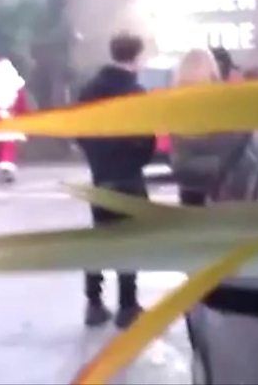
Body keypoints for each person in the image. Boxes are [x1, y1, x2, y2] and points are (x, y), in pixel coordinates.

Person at [76, 32, 156, 329]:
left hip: (101, 176)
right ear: (136, 57)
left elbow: (79, 131)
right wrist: (136, 159)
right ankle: (127, 306)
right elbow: (146, 139)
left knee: (100, 238)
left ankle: (94, 303)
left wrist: (96, 157)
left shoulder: (89, 90)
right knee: (129, 241)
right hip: (128, 177)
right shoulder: (135, 93)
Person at [169, 49, 251, 207]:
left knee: (191, 213)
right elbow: (230, 140)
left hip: (187, 174)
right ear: (211, 68)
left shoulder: (175, 100)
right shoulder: (221, 99)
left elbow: (179, 140)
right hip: (218, 174)